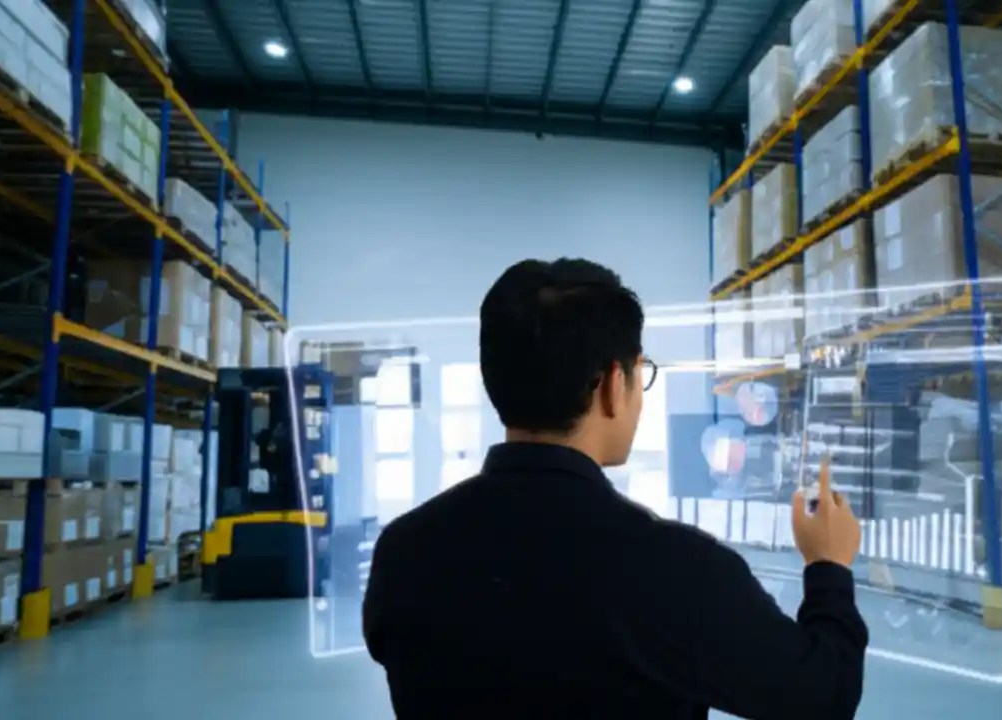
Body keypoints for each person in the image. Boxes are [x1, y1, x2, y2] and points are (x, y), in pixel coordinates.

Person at [363, 258, 868, 719]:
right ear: (610, 384)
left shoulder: (404, 552)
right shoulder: (678, 569)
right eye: (639, 372)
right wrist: (828, 567)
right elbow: (822, 696)